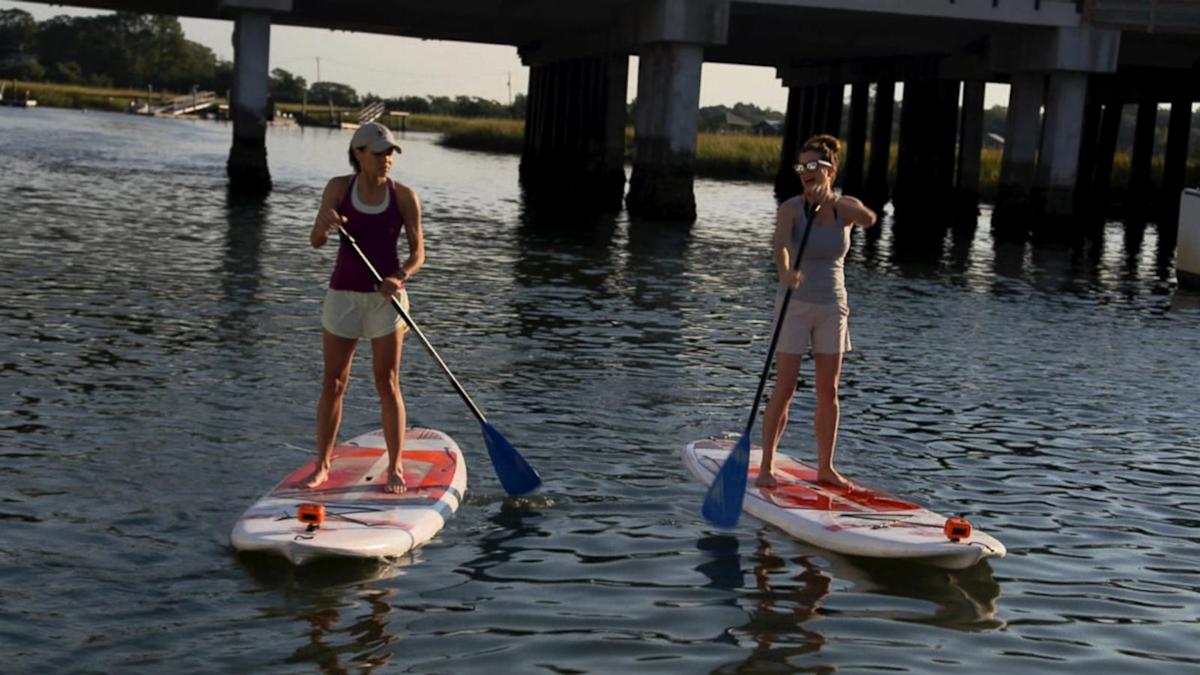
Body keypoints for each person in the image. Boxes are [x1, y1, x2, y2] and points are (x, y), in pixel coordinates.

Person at [305, 122, 425, 494]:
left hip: (385, 300)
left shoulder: (404, 196)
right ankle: (322, 466)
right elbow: (315, 241)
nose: (386, 159)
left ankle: (396, 468)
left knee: (387, 383)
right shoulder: (339, 188)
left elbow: (418, 253)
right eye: (379, 153)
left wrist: (400, 276)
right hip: (343, 295)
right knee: (334, 382)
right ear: (359, 154)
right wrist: (325, 226)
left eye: (390, 153)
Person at [757, 134, 877, 490]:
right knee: (786, 387)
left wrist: (833, 200)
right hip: (794, 304)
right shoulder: (791, 208)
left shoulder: (845, 207)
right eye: (801, 167)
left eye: (813, 166)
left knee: (830, 389)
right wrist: (784, 271)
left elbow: (868, 219)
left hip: (832, 305)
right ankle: (766, 466)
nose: (805, 172)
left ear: (830, 169)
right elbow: (780, 246)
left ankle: (826, 468)